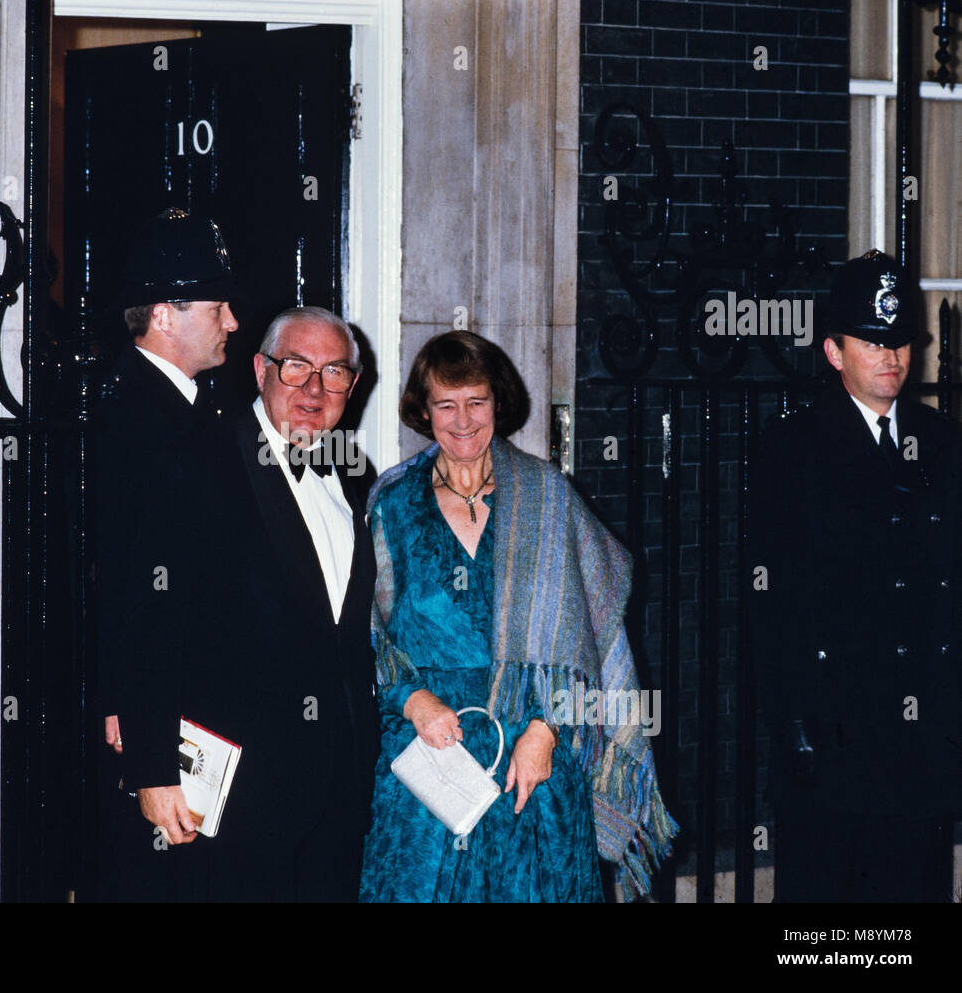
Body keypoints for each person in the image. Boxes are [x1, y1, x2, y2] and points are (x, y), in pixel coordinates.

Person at [359, 330, 678, 903]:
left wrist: (547, 730)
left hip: (533, 769)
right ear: (423, 410)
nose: (462, 420)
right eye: (445, 404)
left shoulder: (547, 495)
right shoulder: (392, 501)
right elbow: (371, 634)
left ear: (497, 403)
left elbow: (589, 642)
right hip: (429, 763)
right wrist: (412, 699)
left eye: (476, 401)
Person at [102, 302, 380, 901]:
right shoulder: (198, 462)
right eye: (295, 367)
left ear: (352, 386)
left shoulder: (355, 478)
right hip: (234, 792)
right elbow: (149, 619)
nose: (313, 388)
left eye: (333, 372)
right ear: (260, 370)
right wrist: (153, 768)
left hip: (337, 787)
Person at [750, 250, 962, 902]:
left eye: (899, 341)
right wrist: (796, 729)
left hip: (921, 739)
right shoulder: (792, 449)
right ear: (835, 352)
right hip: (835, 736)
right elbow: (773, 604)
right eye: (873, 341)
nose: (891, 357)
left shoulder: (943, 442)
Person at [87, 208, 239, 901]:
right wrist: (153, 767)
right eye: (218, 306)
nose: (233, 321)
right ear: (165, 315)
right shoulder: (138, 421)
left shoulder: (183, 409)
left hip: (193, 720)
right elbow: (134, 598)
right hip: (165, 744)